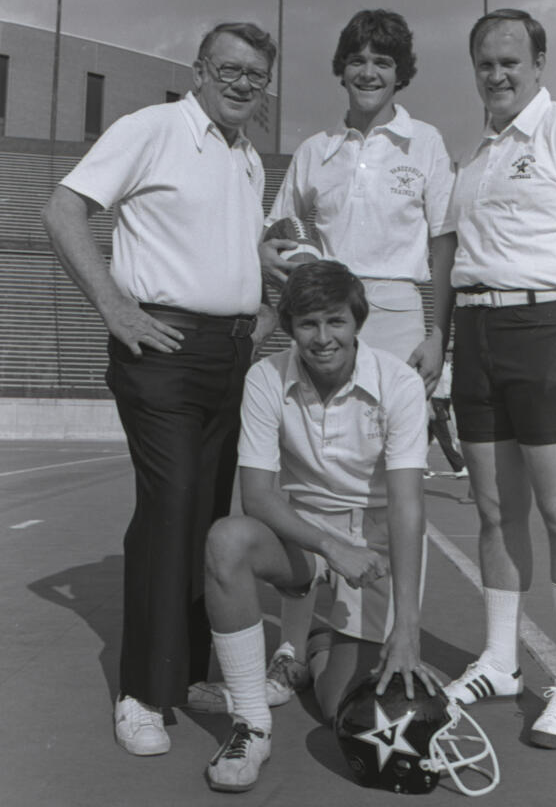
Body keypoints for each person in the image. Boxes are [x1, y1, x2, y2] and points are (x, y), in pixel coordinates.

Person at [41, 21, 278, 756]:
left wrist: (260, 306)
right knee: (171, 506)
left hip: (229, 354)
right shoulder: (152, 127)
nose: (242, 84)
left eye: (255, 75)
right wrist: (114, 306)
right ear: (199, 70)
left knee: (207, 517)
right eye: (228, 69)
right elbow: (62, 209)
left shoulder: (248, 159)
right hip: (162, 349)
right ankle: (143, 691)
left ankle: (187, 673)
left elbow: (228, 251)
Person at [442, 9, 556, 749]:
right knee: (493, 508)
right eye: (484, 63)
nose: (496, 74)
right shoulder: (477, 154)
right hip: (479, 332)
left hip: (551, 329)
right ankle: (497, 661)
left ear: (538, 63)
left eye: (509, 62)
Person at [259, 9, 456, 701]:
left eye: (382, 61)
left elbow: (441, 246)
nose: (368, 71)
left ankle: (393, 635)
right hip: (326, 315)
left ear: (400, 74)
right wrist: (282, 265)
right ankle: (289, 645)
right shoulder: (315, 149)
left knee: (389, 485)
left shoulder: (425, 142)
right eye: (357, 59)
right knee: (304, 476)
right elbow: (281, 227)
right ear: (340, 68)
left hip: (399, 315)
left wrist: (438, 333)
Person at [202, 260, 435, 792]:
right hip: (303, 533)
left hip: (373, 535)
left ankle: (313, 644)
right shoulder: (265, 376)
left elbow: (406, 507)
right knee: (226, 541)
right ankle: (250, 722)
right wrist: (331, 548)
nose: (322, 338)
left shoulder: (398, 384)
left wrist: (407, 630)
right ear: (290, 328)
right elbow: (257, 496)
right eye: (308, 324)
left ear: (358, 323)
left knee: (344, 712)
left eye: (335, 322)